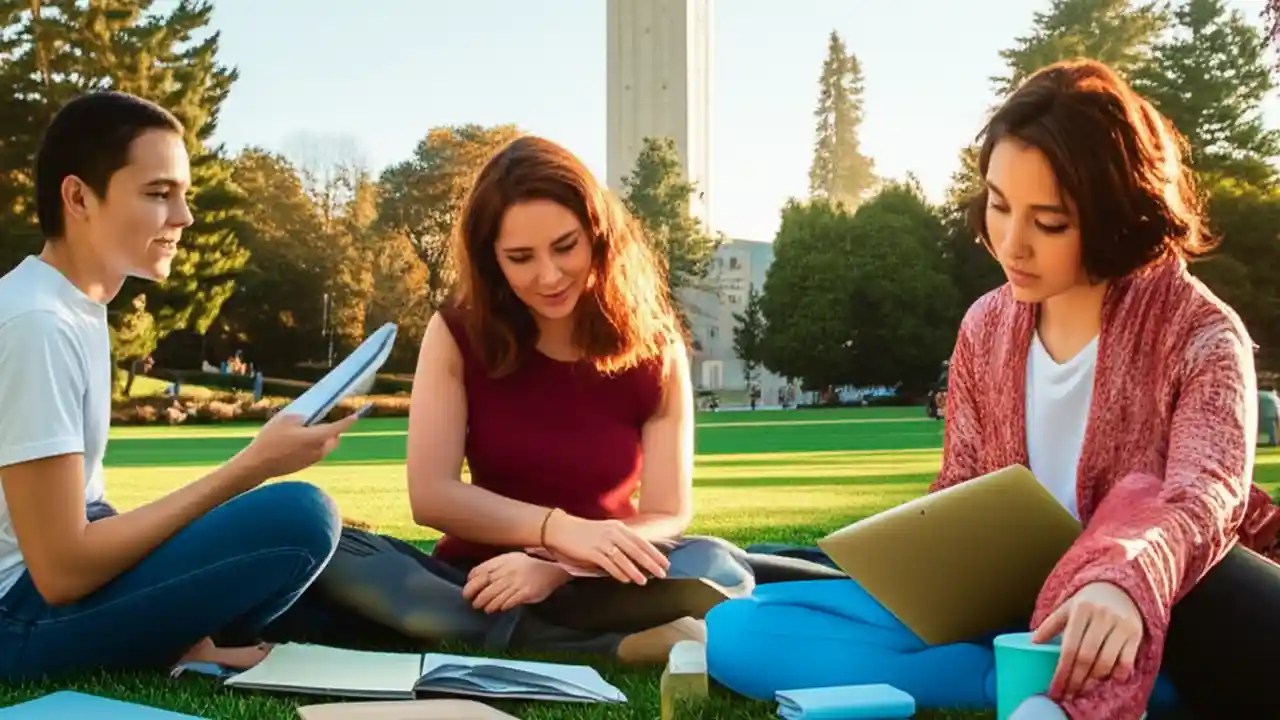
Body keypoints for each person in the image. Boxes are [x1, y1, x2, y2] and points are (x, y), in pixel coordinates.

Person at [704, 59, 1280, 720]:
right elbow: (964, 488)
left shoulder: (1200, 330)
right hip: (1002, 607)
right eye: (999, 205)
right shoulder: (985, 324)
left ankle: (1077, 678)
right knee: (736, 630)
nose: (1012, 243)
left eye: (1050, 222)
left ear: (1115, 214)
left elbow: (1203, 497)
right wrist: (916, 559)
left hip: (1140, 604)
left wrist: (1127, 579)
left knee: (1162, 566)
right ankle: (1011, 681)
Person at [0, 91, 358, 681]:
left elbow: (87, 512)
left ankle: (189, 640)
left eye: (183, 195)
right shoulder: (38, 324)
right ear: (78, 197)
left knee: (314, 551)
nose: (184, 217)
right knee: (299, 516)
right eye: (159, 194)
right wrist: (252, 465)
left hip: (45, 601)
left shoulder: (74, 310)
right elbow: (61, 569)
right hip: (19, 623)